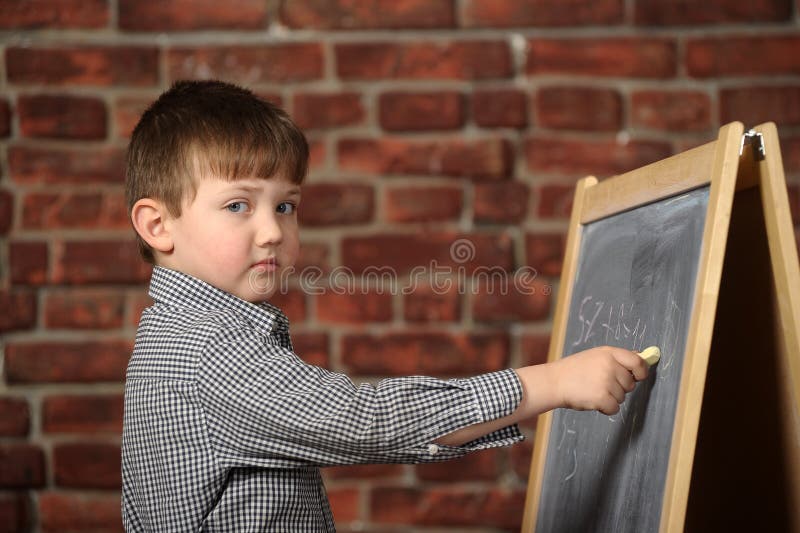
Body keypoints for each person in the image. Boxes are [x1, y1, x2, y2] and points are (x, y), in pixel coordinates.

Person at [122, 80, 649, 532]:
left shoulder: (179, 331)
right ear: (157, 225)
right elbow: (367, 421)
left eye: (285, 205)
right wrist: (552, 383)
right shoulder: (209, 349)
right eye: (238, 205)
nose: (272, 231)